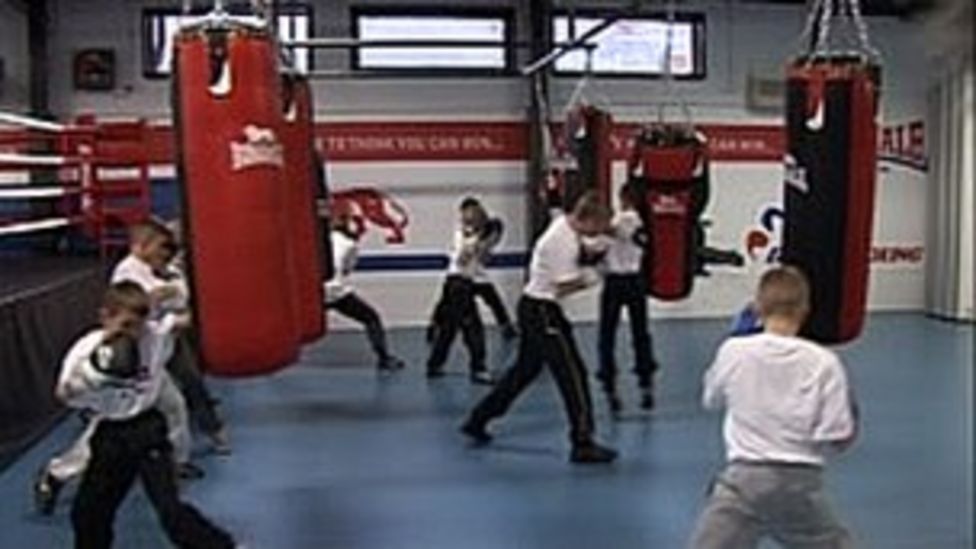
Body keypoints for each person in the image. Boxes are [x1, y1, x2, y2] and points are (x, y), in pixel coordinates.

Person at [689, 266, 858, 548]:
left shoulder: (733, 351)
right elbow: (837, 435)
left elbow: (711, 399)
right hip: (799, 483)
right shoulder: (824, 362)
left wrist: (733, 345)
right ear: (805, 310)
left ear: (757, 307)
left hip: (742, 481)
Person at [58, 282, 236, 549]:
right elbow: (63, 395)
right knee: (88, 512)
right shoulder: (86, 350)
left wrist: (175, 294)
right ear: (105, 316)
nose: (133, 333)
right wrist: (92, 378)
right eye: (126, 325)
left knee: (171, 510)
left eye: (138, 326)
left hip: (148, 430)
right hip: (111, 433)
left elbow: (188, 319)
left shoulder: (155, 335)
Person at [460, 192, 618, 464]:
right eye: (599, 226)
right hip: (543, 311)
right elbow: (562, 286)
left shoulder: (565, 224)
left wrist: (596, 251)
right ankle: (582, 442)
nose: (599, 232)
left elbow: (580, 249)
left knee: (524, 371)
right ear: (588, 219)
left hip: (535, 307)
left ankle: (477, 419)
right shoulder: (561, 241)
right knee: (572, 373)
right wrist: (594, 276)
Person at [597, 181, 660, 413]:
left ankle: (609, 384)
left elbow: (602, 242)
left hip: (615, 282)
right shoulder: (645, 224)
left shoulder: (619, 221)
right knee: (640, 333)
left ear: (622, 198)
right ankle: (646, 384)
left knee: (607, 335)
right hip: (635, 280)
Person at [325, 208, 405, 372]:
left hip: (315, 293)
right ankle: (384, 359)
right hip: (335, 292)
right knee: (371, 318)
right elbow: (347, 270)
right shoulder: (349, 244)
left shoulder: (317, 242)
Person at [425, 197, 493, 384]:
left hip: (463, 283)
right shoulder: (462, 233)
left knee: (449, 328)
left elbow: (483, 260)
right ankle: (478, 368)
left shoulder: (477, 233)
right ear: (463, 213)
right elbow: (462, 260)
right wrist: (476, 242)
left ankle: (434, 364)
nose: (474, 215)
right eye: (471, 211)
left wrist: (485, 245)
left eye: (477, 211)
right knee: (473, 327)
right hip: (458, 284)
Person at [470, 213, 518, 340]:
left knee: (495, 302)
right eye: (496, 235)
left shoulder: (486, 244)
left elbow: (483, 260)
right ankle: (436, 325)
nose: (497, 239)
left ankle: (506, 327)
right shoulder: (478, 242)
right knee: (450, 303)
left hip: (479, 276)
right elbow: (478, 257)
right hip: (468, 277)